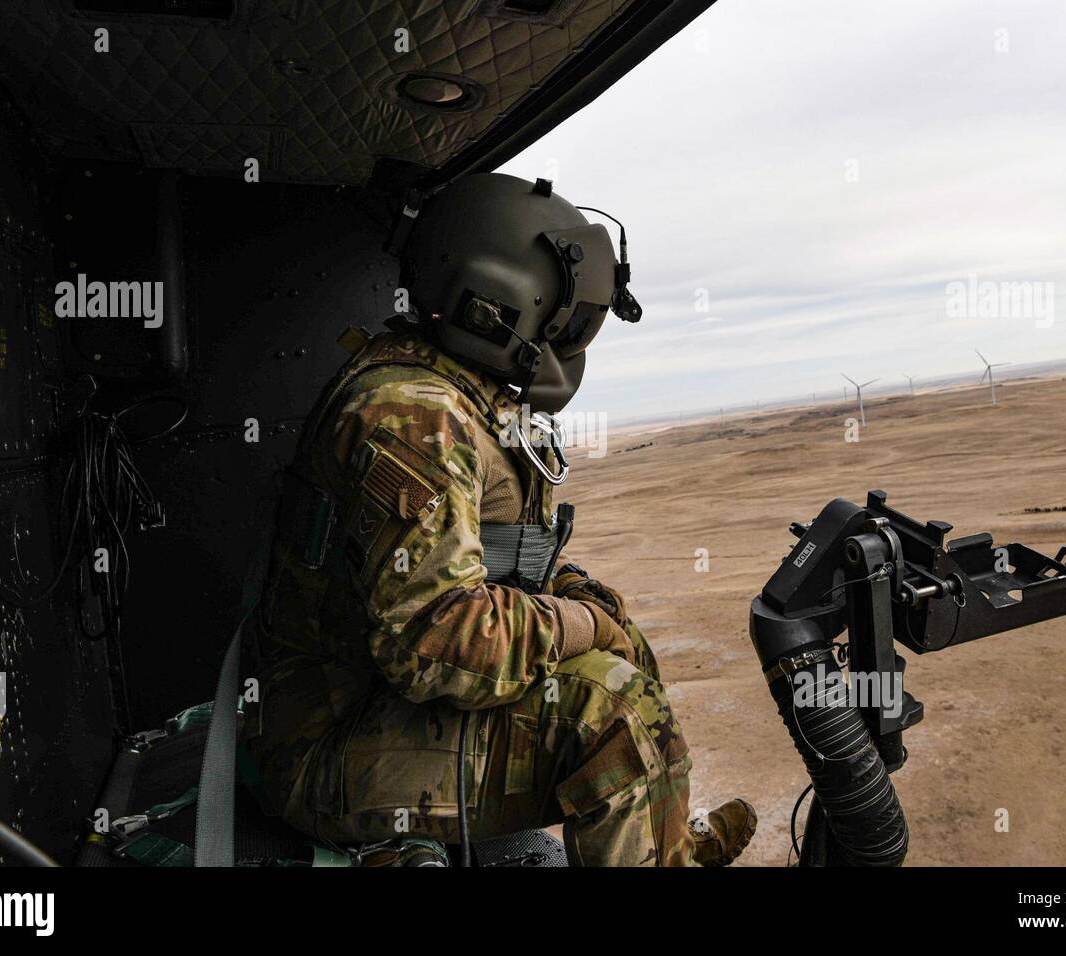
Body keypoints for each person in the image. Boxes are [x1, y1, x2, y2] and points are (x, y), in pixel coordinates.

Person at [243, 173, 755, 866]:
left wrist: (578, 593)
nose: (567, 339)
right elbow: (436, 643)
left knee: (621, 643)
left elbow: (490, 552)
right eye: (564, 318)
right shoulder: (415, 415)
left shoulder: (454, 395)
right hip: (331, 747)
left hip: (377, 710)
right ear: (497, 299)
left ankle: (663, 847)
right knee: (606, 709)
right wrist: (582, 624)